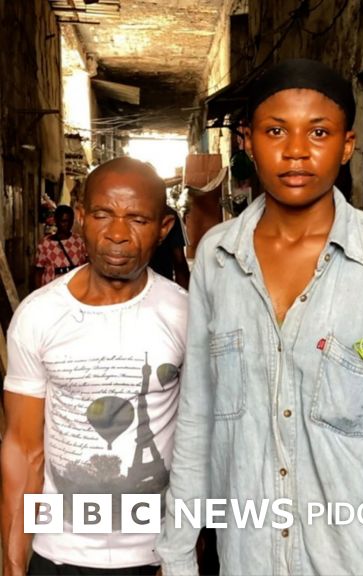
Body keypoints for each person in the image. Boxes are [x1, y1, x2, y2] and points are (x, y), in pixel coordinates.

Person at [155, 59, 363, 575]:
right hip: (249, 558)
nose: (296, 150)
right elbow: (199, 417)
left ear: (346, 144)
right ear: (248, 143)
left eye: (318, 132)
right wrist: (178, 553)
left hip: (361, 560)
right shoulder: (217, 257)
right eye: (276, 131)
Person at [2, 157, 185, 575]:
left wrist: (183, 552)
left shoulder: (185, 314)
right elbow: (23, 448)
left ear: (163, 227)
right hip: (58, 553)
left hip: (154, 554)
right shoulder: (39, 315)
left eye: (137, 218)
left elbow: (200, 445)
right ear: (81, 217)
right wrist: (13, 563)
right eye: (102, 215)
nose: (118, 234)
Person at [33, 204, 88, 290]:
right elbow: (38, 271)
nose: (67, 225)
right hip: (51, 290)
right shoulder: (45, 244)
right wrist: (37, 292)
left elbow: (85, 266)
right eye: (63, 221)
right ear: (56, 221)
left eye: (70, 221)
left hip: (74, 289)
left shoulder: (78, 241)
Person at [148, 204, 190, 290]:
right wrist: (184, 298)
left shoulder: (120, 212)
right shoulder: (169, 212)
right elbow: (179, 261)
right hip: (162, 288)